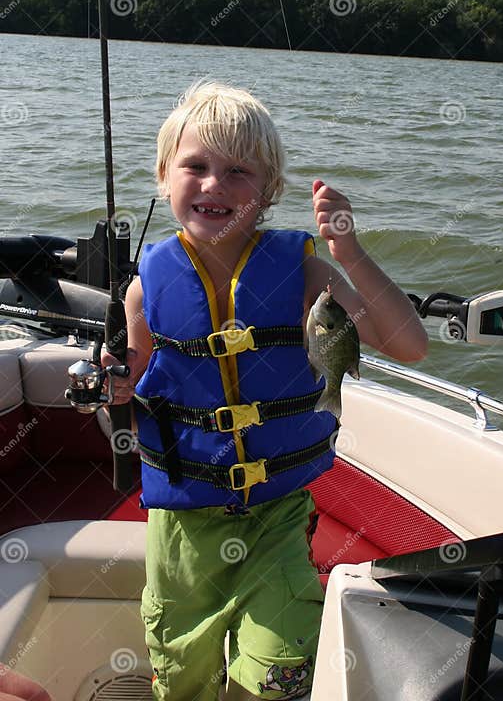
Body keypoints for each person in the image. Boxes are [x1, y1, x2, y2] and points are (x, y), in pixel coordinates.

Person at [103, 81, 427, 701]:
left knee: (278, 671)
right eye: (194, 167)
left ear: (268, 192)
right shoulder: (147, 285)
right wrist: (113, 380)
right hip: (182, 525)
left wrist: (348, 249)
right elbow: (134, 374)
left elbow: (407, 345)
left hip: (278, 515)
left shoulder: (306, 269)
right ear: (164, 175)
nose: (213, 185)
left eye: (237, 172)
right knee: (182, 670)